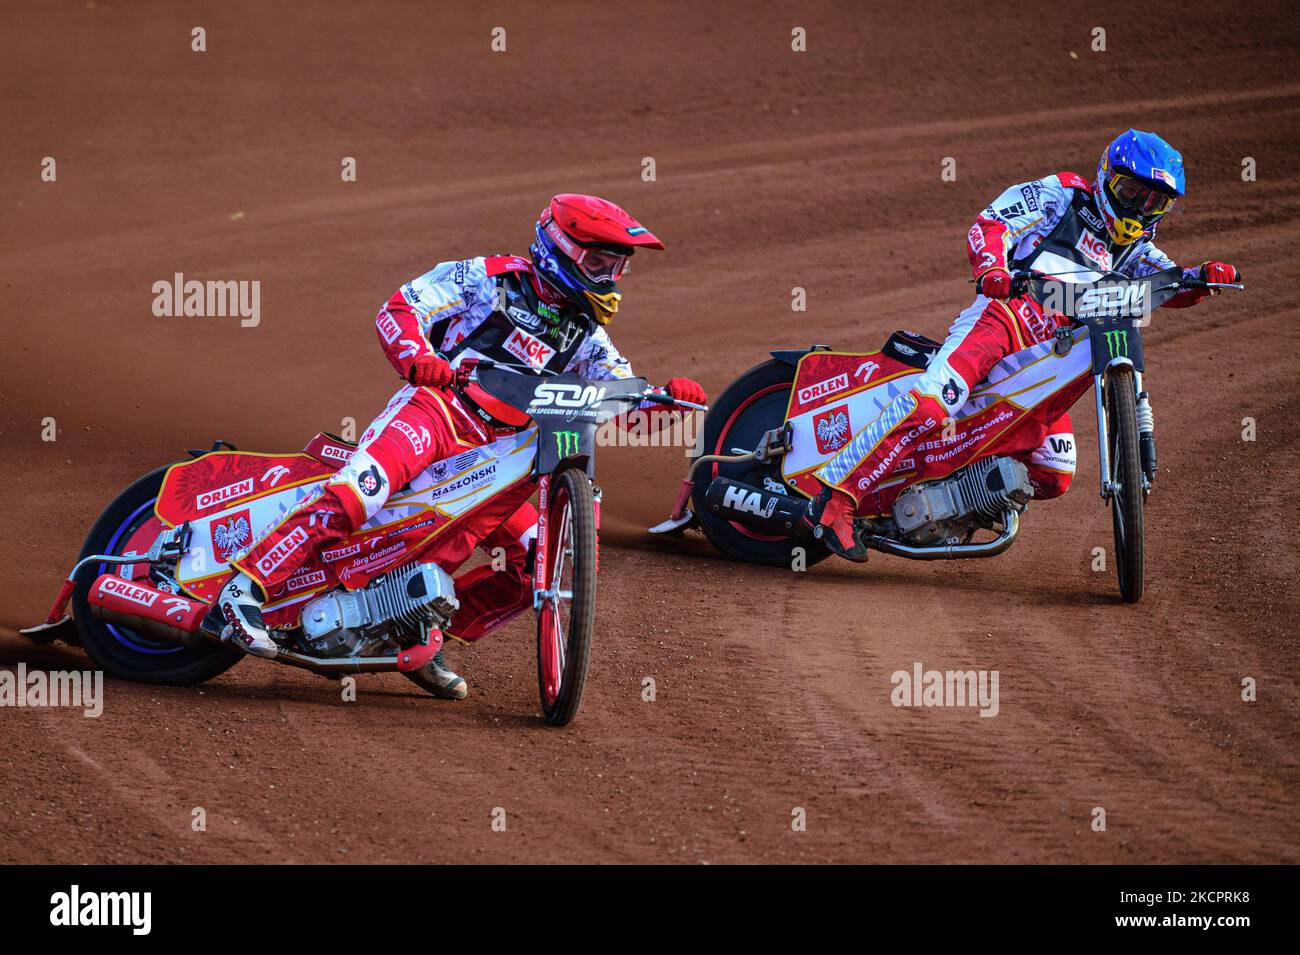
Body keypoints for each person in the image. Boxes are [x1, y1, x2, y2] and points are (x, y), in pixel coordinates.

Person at [217, 194, 707, 696]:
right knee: (358, 494)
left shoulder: (586, 334)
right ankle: (243, 588)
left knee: (542, 558)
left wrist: (665, 399)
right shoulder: (489, 279)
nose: (608, 277)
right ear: (559, 247)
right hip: (438, 412)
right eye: (598, 262)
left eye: (617, 267)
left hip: (503, 455)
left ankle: (415, 631)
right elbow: (401, 307)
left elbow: (619, 400)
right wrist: (419, 359)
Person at [806, 129, 1241, 561]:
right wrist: (993, 268)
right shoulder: (1063, 195)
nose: (1139, 209)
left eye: (1154, 202)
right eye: (1130, 193)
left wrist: (1205, 276)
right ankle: (835, 501)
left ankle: (956, 503)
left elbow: (1171, 281)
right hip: (1004, 320)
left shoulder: (1138, 251)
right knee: (932, 406)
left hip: (1050, 356)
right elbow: (992, 222)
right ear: (1105, 178)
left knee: (1054, 470)